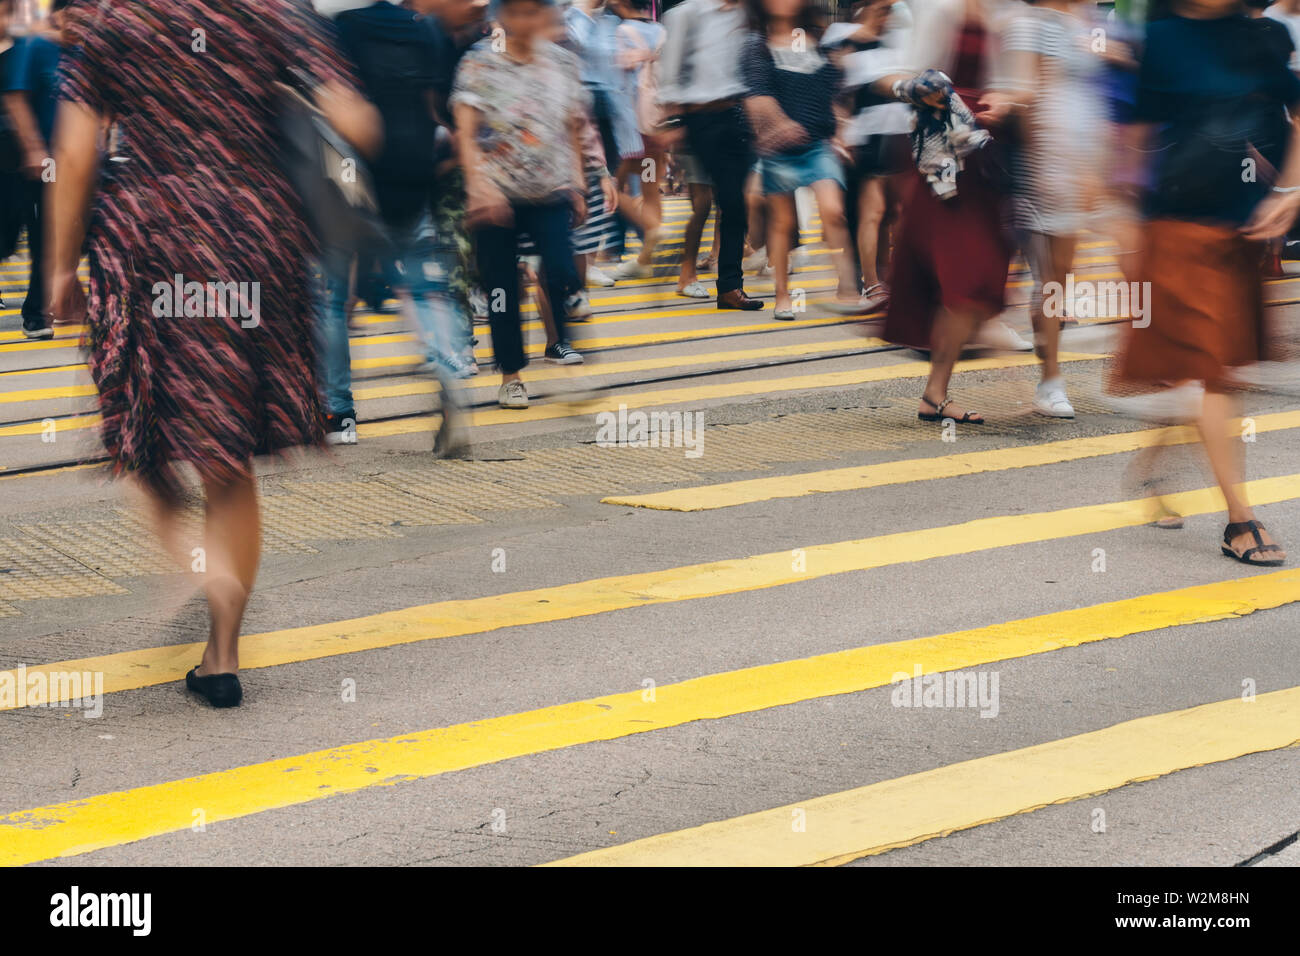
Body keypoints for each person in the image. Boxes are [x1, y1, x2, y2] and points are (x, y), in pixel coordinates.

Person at [47, 0, 380, 707]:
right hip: (253, 237)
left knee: (137, 431)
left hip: (148, 236)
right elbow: (356, 124)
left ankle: (202, 566)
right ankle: (222, 653)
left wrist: (58, 267)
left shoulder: (113, 21)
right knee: (226, 453)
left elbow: (74, 153)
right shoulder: (273, 14)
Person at [1112, 0, 1298, 566]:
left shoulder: (1265, 36)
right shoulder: (1160, 38)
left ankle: (1147, 468)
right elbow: (1133, 140)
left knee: (1209, 367)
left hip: (1243, 231)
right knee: (1213, 372)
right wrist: (1124, 225)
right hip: (1175, 228)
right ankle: (1239, 521)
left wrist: (1289, 192)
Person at [871, 0, 1028, 425]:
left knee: (978, 278)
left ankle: (935, 394)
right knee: (966, 276)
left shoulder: (1011, 13)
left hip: (988, 161)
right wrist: (922, 89)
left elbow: (1024, 86)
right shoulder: (939, 8)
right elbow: (894, 78)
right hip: (943, 164)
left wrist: (1009, 102)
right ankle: (938, 391)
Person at [334, 0, 471, 457]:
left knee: (333, 296)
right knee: (424, 286)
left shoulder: (338, 28)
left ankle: (338, 414)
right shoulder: (423, 30)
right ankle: (450, 372)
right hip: (413, 173)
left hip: (353, 177)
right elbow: (437, 110)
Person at [451, 0, 590, 408]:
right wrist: (477, 185)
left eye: (535, 11)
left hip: (549, 190)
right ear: (501, 16)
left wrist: (578, 182)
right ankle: (511, 375)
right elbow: (464, 130)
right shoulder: (479, 63)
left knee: (564, 271)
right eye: (517, 11)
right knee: (501, 289)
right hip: (496, 195)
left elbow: (571, 126)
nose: (526, 21)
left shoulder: (562, 63)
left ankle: (559, 342)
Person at [1001, 0, 1111, 418]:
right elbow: (1030, 98)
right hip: (1047, 168)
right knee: (1048, 280)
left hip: (1080, 167)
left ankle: (1048, 368)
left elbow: (1091, 96)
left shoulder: (1082, 21)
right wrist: (1048, 166)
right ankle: (1050, 380)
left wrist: (1097, 164)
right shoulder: (1028, 24)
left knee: (1059, 280)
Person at [741, 0, 863, 320]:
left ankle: (849, 290)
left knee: (833, 212)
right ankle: (783, 295)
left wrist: (840, 129)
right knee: (783, 224)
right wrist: (781, 124)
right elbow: (756, 95)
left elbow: (832, 91)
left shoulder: (817, 41)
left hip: (817, 145)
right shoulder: (758, 44)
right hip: (777, 148)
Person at [658, 0, 765, 311]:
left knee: (736, 203)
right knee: (706, 203)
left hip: (738, 116)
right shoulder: (686, 14)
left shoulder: (748, 13)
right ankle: (686, 269)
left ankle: (730, 287)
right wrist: (674, 124)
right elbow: (669, 72)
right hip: (698, 120)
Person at [823, 0, 912, 313]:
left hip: (900, 131)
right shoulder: (845, 38)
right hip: (868, 137)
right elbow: (838, 90)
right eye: (883, 8)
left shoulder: (898, 36)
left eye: (890, 9)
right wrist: (840, 132)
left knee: (893, 213)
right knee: (872, 213)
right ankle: (870, 281)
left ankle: (886, 279)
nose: (888, 14)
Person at [4, 0, 70, 340]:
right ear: (62, 13)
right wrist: (33, 148)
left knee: (50, 235)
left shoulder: (83, 52)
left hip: (65, 165)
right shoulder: (34, 45)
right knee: (15, 234)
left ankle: (37, 313)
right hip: (32, 161)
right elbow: (15, 95)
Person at [607, 0, 665, 279]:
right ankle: (645, 258)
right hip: (658, 122)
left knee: (614, 186)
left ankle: (652, 227)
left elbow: (620, 86)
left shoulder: (623, 32)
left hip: (635, 125)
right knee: (651, 186)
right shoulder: (660, 31)